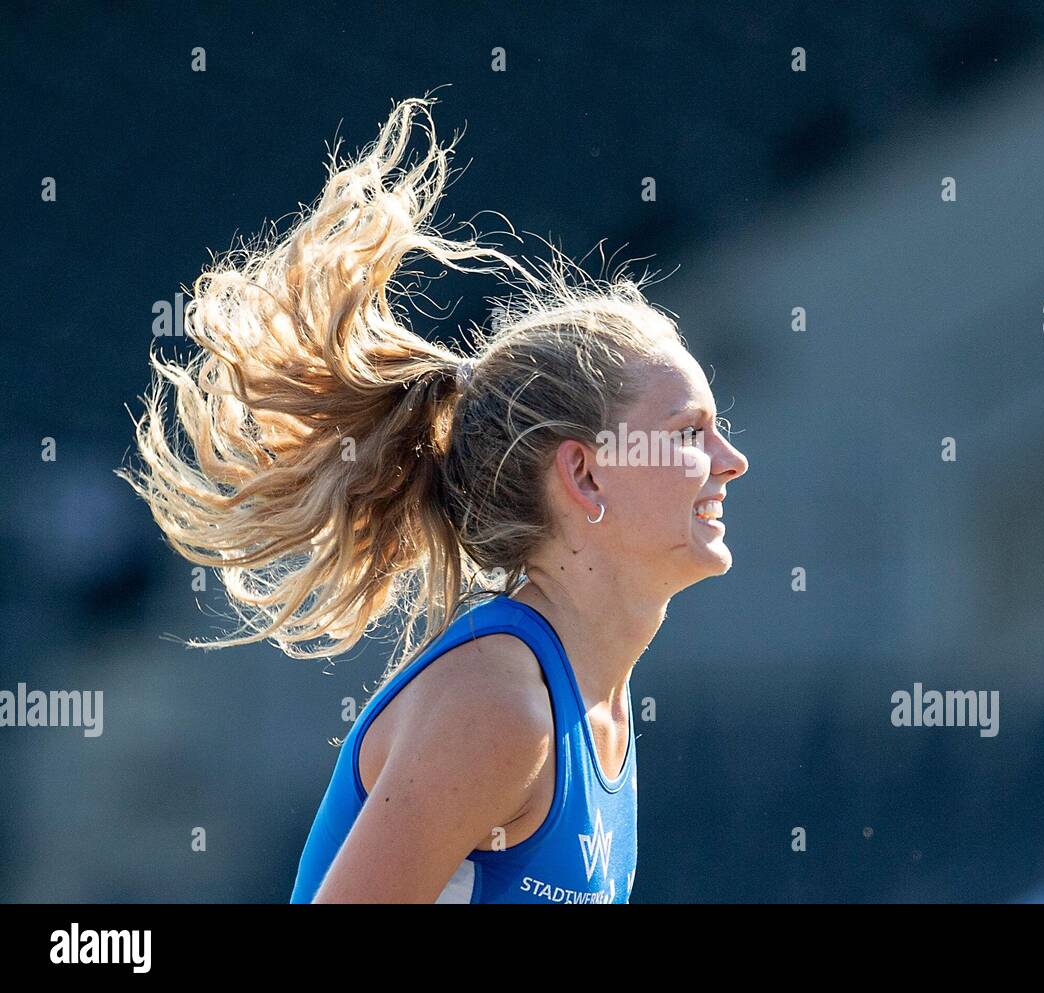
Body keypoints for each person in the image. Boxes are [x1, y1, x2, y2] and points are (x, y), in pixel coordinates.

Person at [118, 94, 749, 903]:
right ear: (586, 474)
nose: (729, 460)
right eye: (690, 432)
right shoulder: (503, 704)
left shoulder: (598, 701)